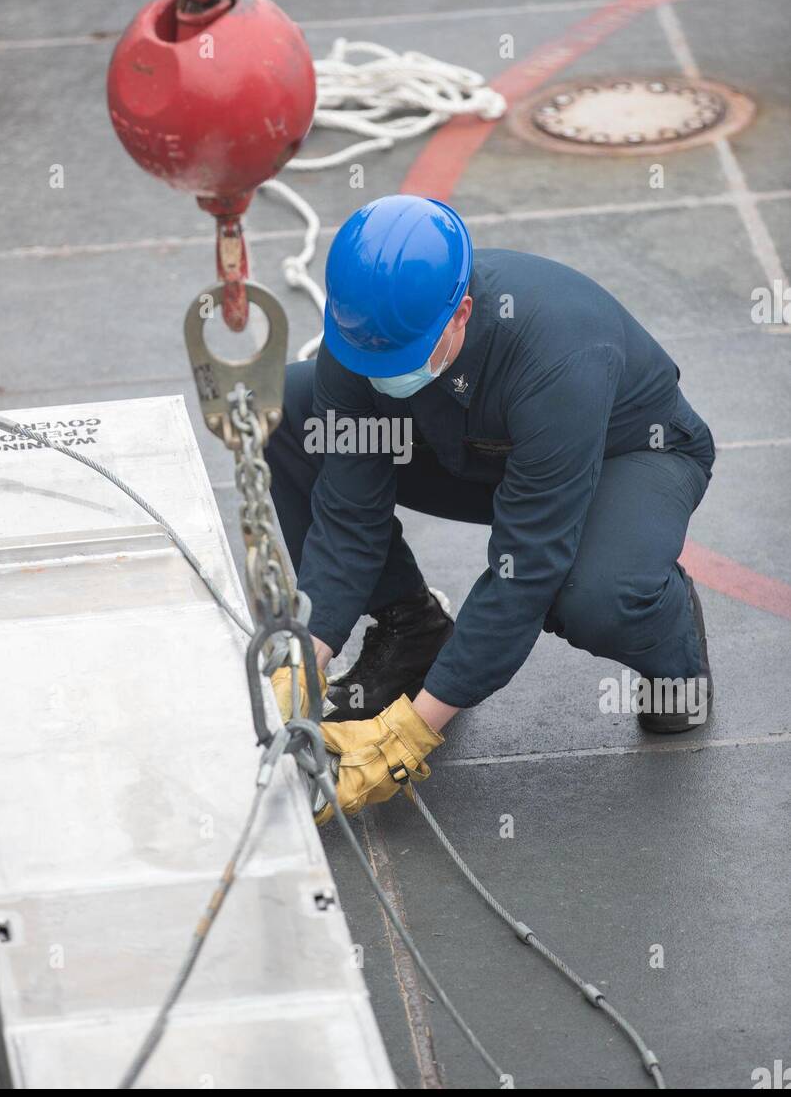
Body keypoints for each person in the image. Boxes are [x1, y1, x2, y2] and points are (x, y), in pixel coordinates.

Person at [265, 195, 715, 825]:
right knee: (291, 413)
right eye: (372, 362)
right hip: (477, 447)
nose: (379, 375)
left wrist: (409, 737)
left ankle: (670, 634)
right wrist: (305, 659)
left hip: (627, 456)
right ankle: (412, 628)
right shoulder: (365, 333)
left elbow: (524, 567)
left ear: (464, 314)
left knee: (594, 595)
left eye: (396, 362)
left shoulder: (560, 353)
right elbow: (347, 512)